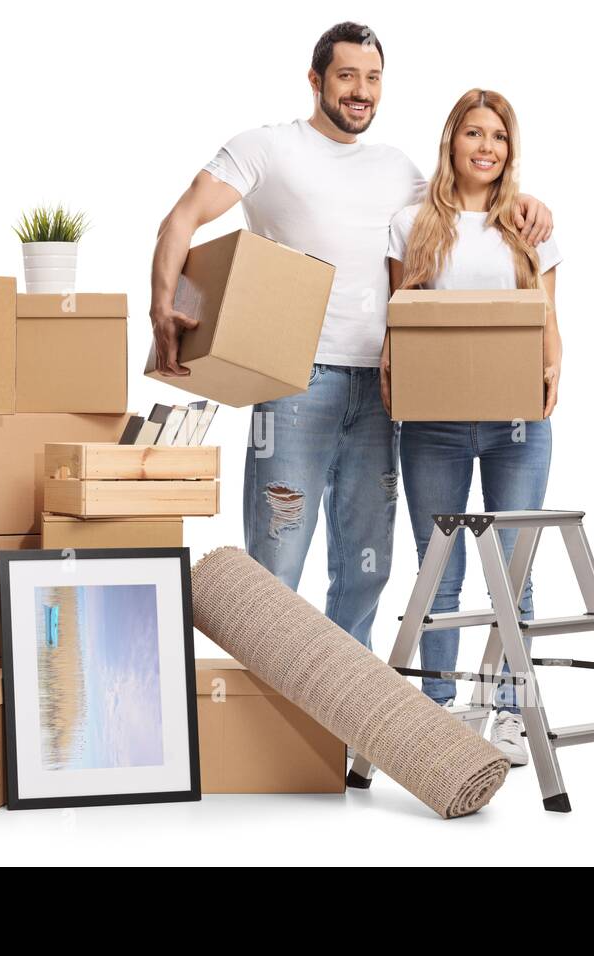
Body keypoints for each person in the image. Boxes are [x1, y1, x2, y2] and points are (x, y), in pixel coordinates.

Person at [150, 23, 553, 649]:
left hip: (385, 392)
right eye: (346, 76)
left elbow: (465, 205)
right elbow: (180, 220)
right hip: (294, 382)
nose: (361, 91)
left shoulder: (398, 169)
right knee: (275, 566)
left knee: (366, 569)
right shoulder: (265, 149)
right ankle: (266, 719)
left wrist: (528, 203)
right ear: (315, 80)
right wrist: (162, 306)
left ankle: (339, 727)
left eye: (372, 78)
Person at [382, 88, 562, 765]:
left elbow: (549, 321)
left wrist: (553, 371)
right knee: (440, 572)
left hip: (516, 423)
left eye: (498, 136)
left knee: (515, 574)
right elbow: (398, 322)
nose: (485, 147)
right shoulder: (411, 225)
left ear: (509, 149)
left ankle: (512, 713)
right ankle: (436, 712)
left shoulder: (530, 225)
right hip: (434, 425)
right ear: (451, 143)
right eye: (472, 133)